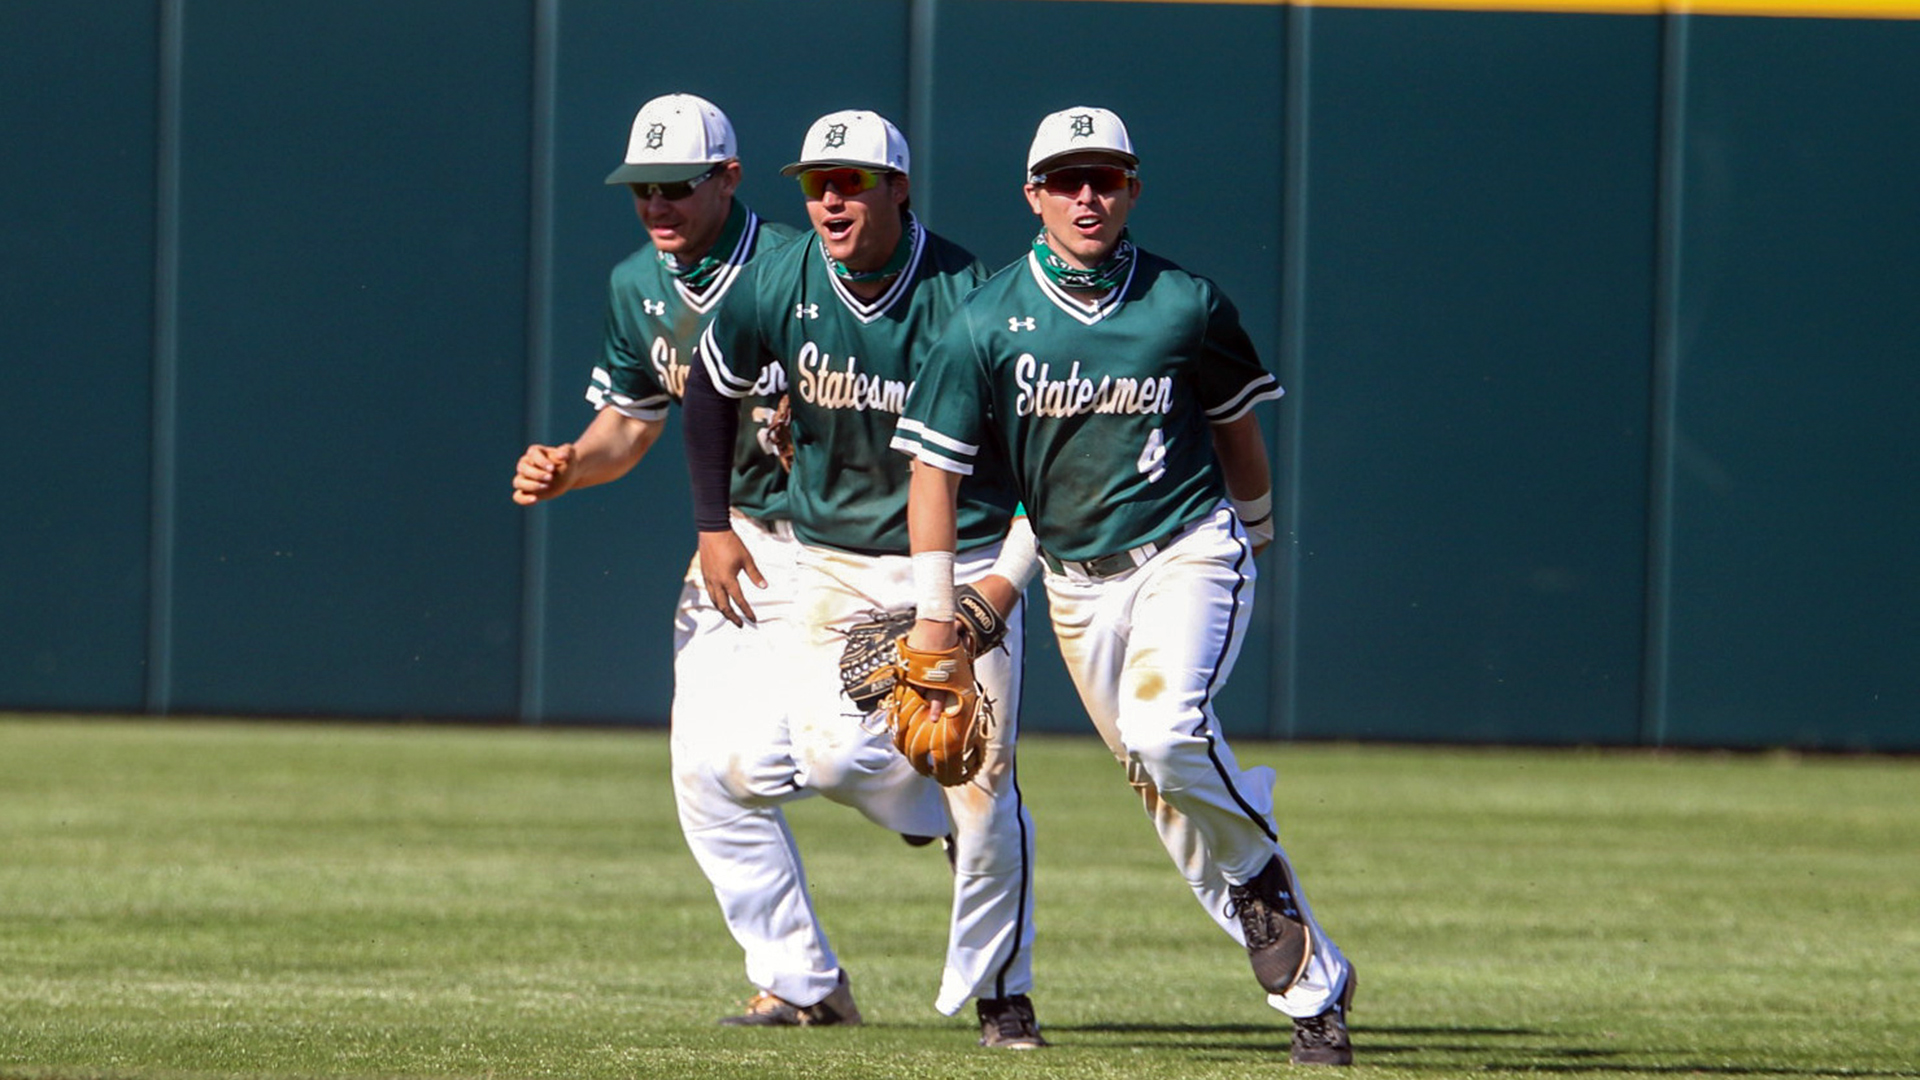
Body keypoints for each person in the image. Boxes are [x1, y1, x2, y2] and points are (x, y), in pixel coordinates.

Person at [891, 106, 1357, 1066]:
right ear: (1034, 197)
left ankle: (1258, 868)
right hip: (1074, 585)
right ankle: (1317, 990)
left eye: (1104, 176)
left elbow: (1234, 427)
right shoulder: (984, 319)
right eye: (1066, 179)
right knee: (1168, 797)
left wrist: (1255, 535)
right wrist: (941, 615)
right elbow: (933, 474)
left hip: (1187, 547)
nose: (1086, 195)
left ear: (1133, 186)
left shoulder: (1184, 303)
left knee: (1165, 729)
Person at [510, 94, 951, 1032]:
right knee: (708, 772)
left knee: (831, 753)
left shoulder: (801, 265)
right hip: (736, 537)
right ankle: (801, 983)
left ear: (729, 179)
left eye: (676, 186)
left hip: (834, 543)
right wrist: (569, 466)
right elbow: (629, 424)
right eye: (642, 190)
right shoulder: (638, 284)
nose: (657, 205)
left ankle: (942, 811)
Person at [682, 109, 1048, 1050]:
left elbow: (1045, 466)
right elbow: (710, 385)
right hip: (835, 562)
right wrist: (714, 526)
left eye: (851, 183)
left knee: (985, 777)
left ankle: (1004, 998)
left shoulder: (967, 292)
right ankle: (937, 818)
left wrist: (1001, 586)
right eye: (816, 184)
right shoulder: (782, 276)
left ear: (899, 189)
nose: (832, 200)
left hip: (962, 556)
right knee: (835, 758)